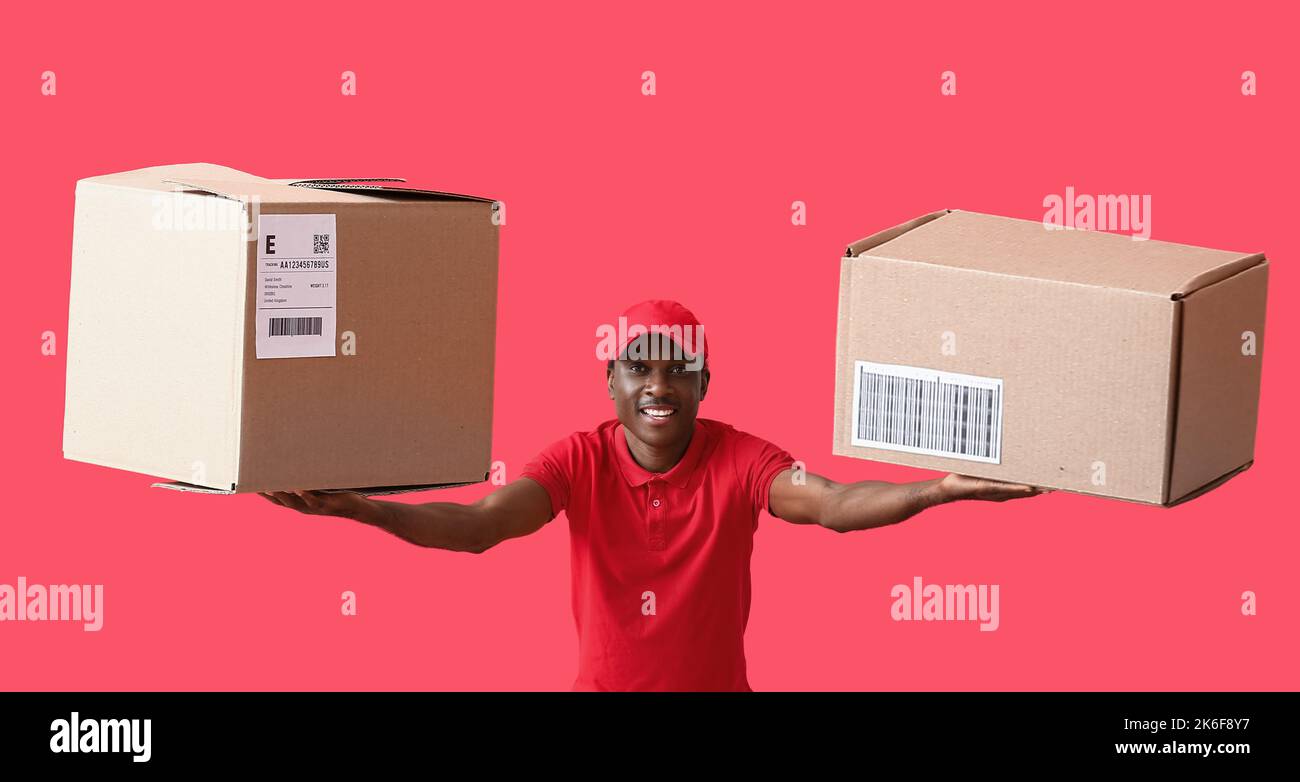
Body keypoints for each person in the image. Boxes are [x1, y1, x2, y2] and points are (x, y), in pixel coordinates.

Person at [261, 299, 1044, 690]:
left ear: (705, 381)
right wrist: (364, 508)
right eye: (639, 367)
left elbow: (833, 503)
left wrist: (941, 488)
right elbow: (481, 527)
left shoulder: (744, 458)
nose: (658, 385)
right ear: (611, 381)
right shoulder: (577, 460)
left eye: (678, 368)